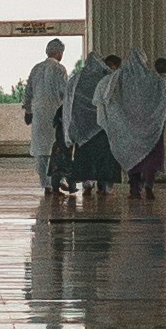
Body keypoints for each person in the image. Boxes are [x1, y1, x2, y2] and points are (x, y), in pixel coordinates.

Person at [99, 45, 166, 205]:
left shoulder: (120, 76)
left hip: (128, 125)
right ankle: (149, 185)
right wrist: (157, 115)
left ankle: (135, 189)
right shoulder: (152, 77)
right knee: (149, 156)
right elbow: (165, 94)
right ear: (144, 59)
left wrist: (116, 117)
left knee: (132, 156)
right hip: (149, 125)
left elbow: (108, 96)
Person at [19, 37, 76, 199]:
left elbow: (28, 92)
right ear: (59, 53)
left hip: (38, 115)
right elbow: (65, 92)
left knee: (41, 151)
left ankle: (46, 184)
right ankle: (56, 181)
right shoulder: (60, 69)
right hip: (55, 115)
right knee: (56, 149)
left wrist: (28, 111)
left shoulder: (36, 68)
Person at [61, 43, 115, 207]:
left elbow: (69, 102)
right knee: (103, 159)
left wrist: (71, 126)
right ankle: (104, 186)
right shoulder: (105, 78)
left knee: (85, 158)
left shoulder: (76, 79)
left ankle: (87, 184)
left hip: (83, 128)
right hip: (101, 127)